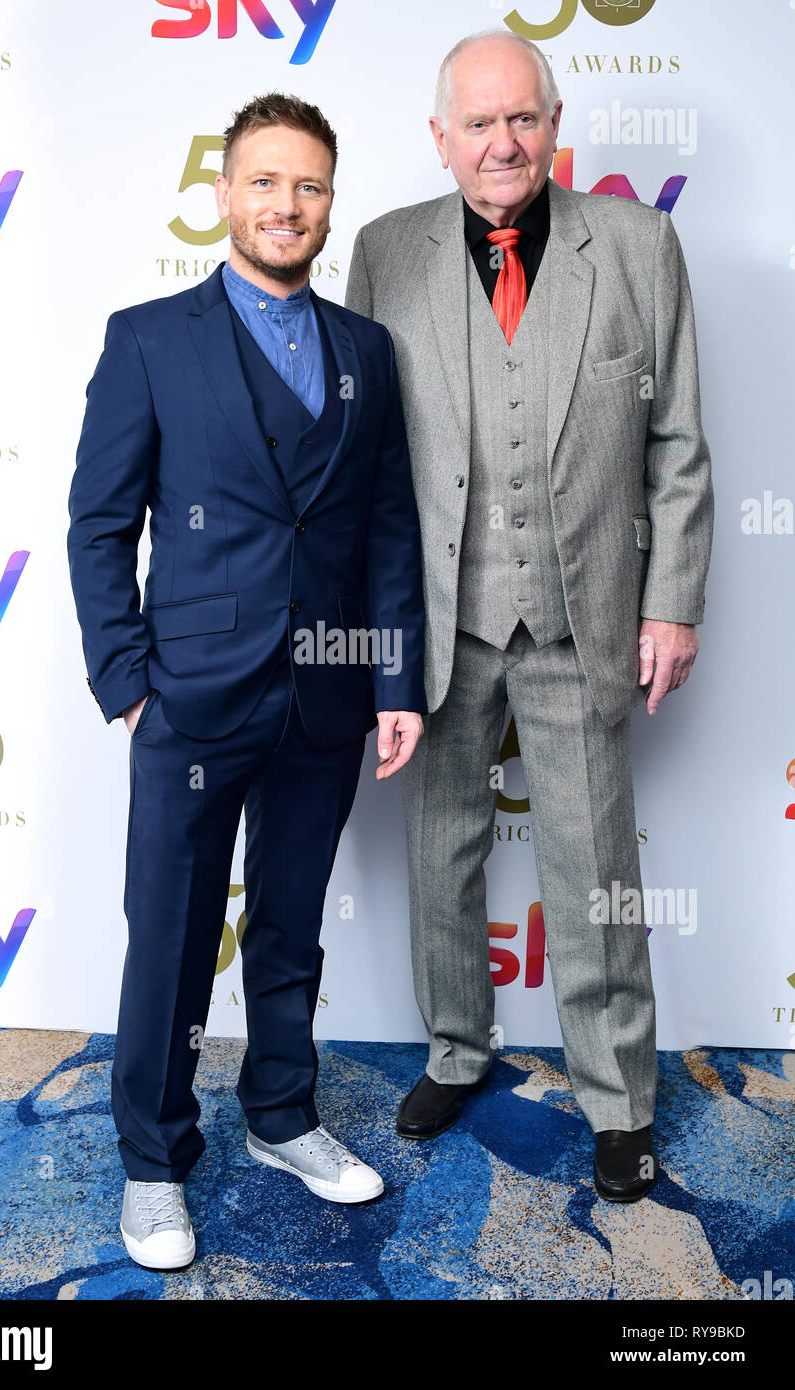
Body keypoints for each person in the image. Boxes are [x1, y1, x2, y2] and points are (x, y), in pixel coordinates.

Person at [346, 30, 713, 1201]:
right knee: (440, 850)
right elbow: (358, 459)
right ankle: (456, 1049)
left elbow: (678, 445)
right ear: (441, 137)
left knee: (595, 864)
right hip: (441, 618)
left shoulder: (642, 246)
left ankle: (620, 1100)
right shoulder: (385, 251)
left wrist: (672, 604)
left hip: (581, 612)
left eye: (523, 119)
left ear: (555, 126)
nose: (502, 142)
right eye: (478, 122)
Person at [67, 93, 426, 1269]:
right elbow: (99, 522)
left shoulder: (366, 351)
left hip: (324, 694)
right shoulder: (148, 338)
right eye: (265, 182)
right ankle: (154, 1160)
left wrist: (394, 677)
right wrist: (127, 680)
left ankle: (282, 1115)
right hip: (189, 700)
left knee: (287, 924)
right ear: (222, 194)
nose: (287, 205)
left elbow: (385, 526)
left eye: (310, 186)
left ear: (332, 203)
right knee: (167, 934)